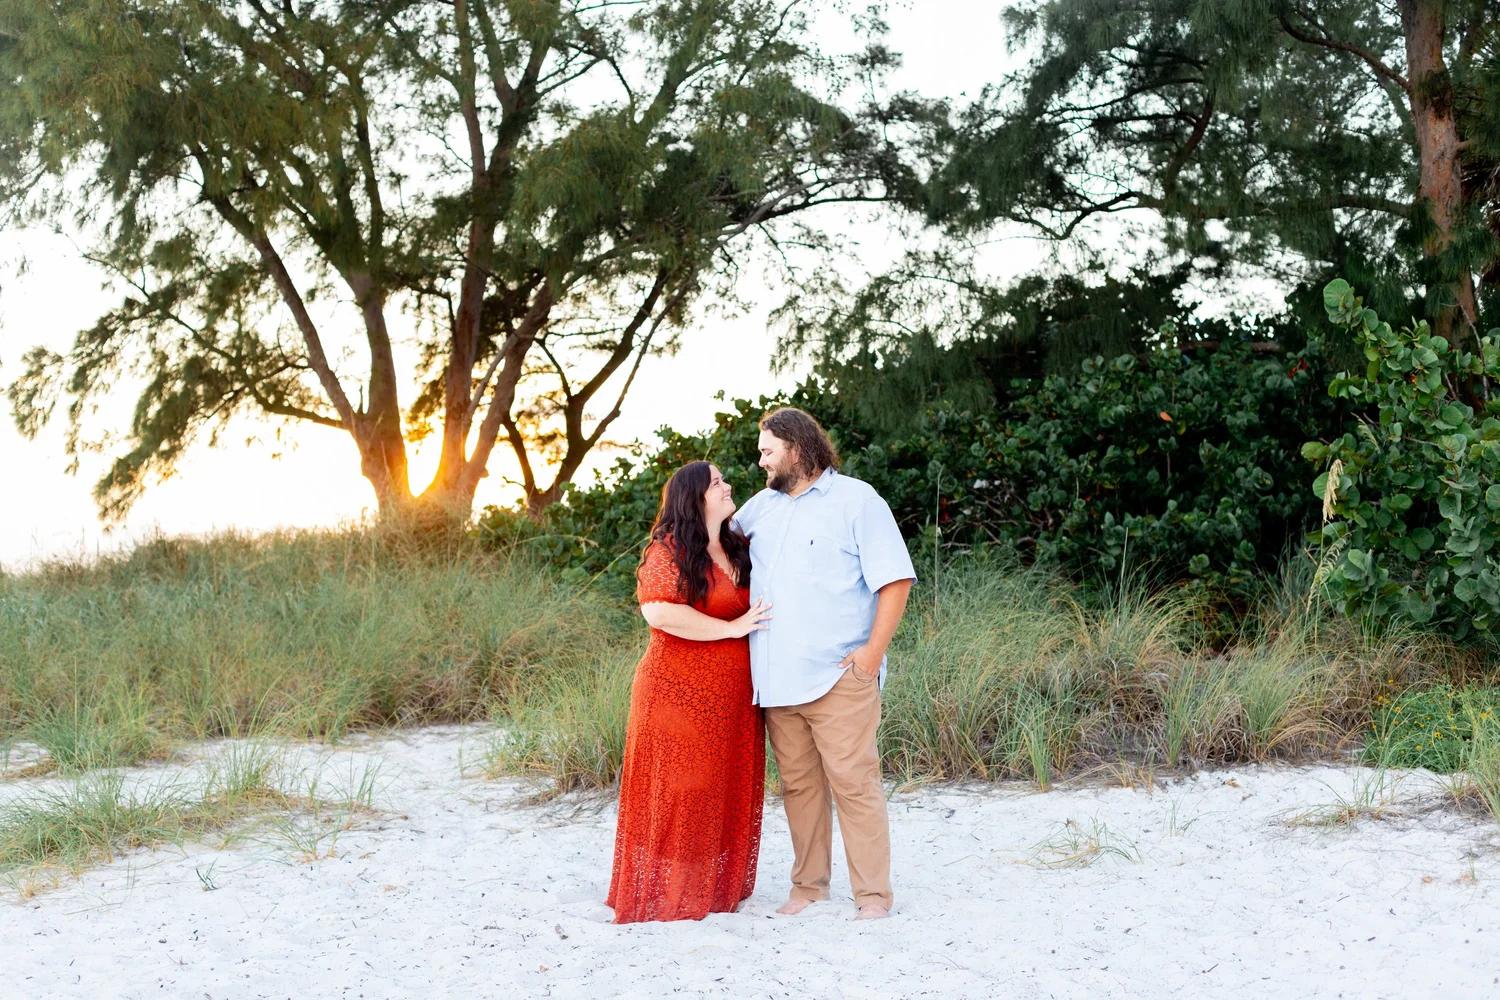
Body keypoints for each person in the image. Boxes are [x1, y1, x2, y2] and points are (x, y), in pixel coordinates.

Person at [733, 407, 916, 921]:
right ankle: (809, 888)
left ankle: (873, 896)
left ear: (796, 446)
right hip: (776, 681)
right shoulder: (760, 508)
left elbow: (895, 581)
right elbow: (713, 540)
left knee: (854, 783)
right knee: (800, 788)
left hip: (839, 674)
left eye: (768, 450)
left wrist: (869, 657)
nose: (761, 461)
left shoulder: (856, 500)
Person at [606, 461, 774, 923]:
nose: (726, 486)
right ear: (694, 497)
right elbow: (660, 613)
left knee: (722, 786)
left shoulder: (740, 546)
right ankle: (672, 893)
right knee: (684, 788)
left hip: (734, 696)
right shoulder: (670, 550)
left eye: (723, 480)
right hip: (675, 689)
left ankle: (712, 889)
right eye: (716, 482)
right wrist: (733, 627)